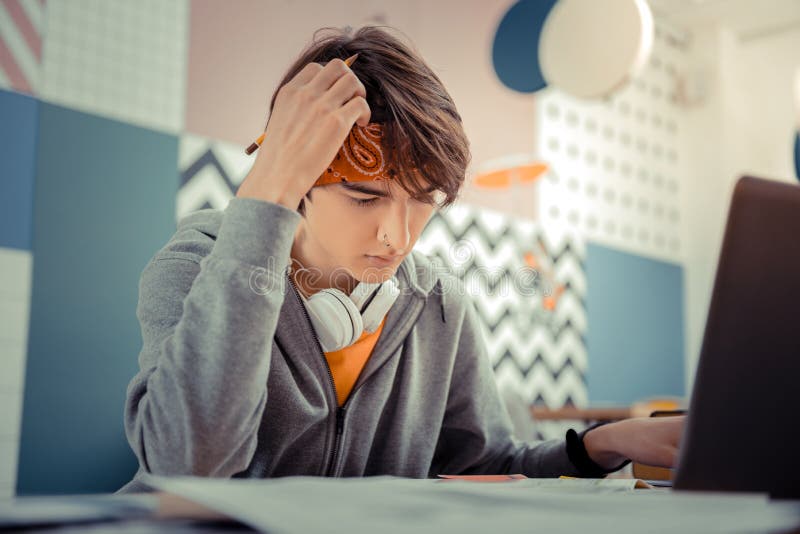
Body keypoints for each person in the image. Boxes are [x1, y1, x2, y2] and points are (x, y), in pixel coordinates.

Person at [117, 25, 683, 493]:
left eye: (424, 202)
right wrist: (268, 192)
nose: (398, 236)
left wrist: (603, 443)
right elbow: (185, 465)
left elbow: (482, 465)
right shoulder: (197, 264)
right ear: (295, 175)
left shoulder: (438, 305)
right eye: (365, 196)